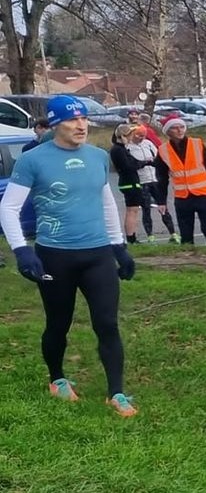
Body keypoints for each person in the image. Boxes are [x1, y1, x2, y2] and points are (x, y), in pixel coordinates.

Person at [2, 95, 140, 416]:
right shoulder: (33, 160)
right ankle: (57, 379)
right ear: (55, 123)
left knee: (107, 322)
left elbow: (105, 201)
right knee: (58, 323)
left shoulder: (97, 157)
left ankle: (116, 392)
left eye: (84, 119)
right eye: (72, 120)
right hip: (55, 257)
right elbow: (8, 207)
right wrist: (22, 250)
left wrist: (119, 246)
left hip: (97, 255)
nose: (81, 125)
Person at [153, 117, 206, 245]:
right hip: (182, 197)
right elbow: (162, 178)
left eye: (181, 127)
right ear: (168, 131)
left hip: (202, 193)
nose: (179, 130)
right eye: (175, 128)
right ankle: (188, 256)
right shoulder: (163, 151)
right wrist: (161, 201)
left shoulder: (197, 144)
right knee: (186, 233)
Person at [107, 126, 153, 244]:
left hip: (130, 181)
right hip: (129, 183)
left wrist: (144, 162)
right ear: (123, 136)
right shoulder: (118, 149)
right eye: (129, 135)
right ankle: (131, 238)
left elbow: (133, 161)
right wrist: (139, 164)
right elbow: (128, 166)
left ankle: (131, 237)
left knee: (133, 210)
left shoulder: (122, 149)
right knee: (132, 210)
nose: (131, 138)